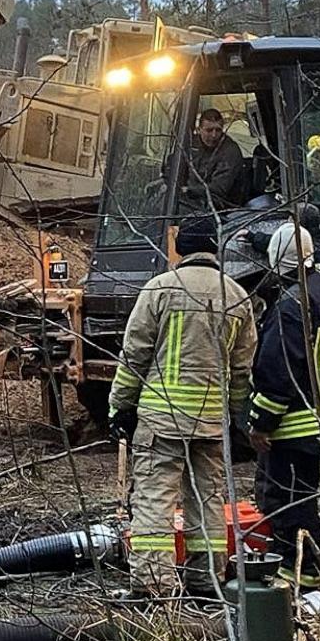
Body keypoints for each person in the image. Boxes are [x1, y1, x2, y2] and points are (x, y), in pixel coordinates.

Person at [108, 214, 258, 597]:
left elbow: (134, 355)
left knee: (155, 501)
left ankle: (154, 583)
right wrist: (238, 418)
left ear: (181, 248)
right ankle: (207, 578)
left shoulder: (159, 290)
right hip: (211, 422)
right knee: (208, 500)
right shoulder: (236, 296)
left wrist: (120, 407)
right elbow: (242, 369)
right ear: (215, 248)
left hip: (162, 420)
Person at [248, 224, 320, 591]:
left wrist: (260, 423)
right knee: (307, 499)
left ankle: (297, 579)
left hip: (299, 425)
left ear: (276, 259)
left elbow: (277, 372)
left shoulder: (290, 305)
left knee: (288, 504)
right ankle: (308, 571)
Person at [181, 108, 248, 209]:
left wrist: (189, 190)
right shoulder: (190, 145)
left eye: (218, 130)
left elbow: (219, 188)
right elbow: (174, 167)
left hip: (223, 207)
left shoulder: (230, 151)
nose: (214, 135)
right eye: (209, 130)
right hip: (191, 201)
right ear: (199, 130)